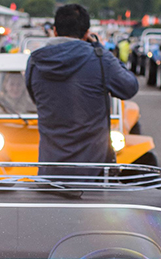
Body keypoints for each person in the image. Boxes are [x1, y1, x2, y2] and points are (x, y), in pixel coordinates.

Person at [25, 4, 138, 174]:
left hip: (50, 169)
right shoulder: (100, 59)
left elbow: (35, 98)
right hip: (93, 171)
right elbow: (129, 87)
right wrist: (102, 51)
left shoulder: (35, 61)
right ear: (86, 33)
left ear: (55, 31)